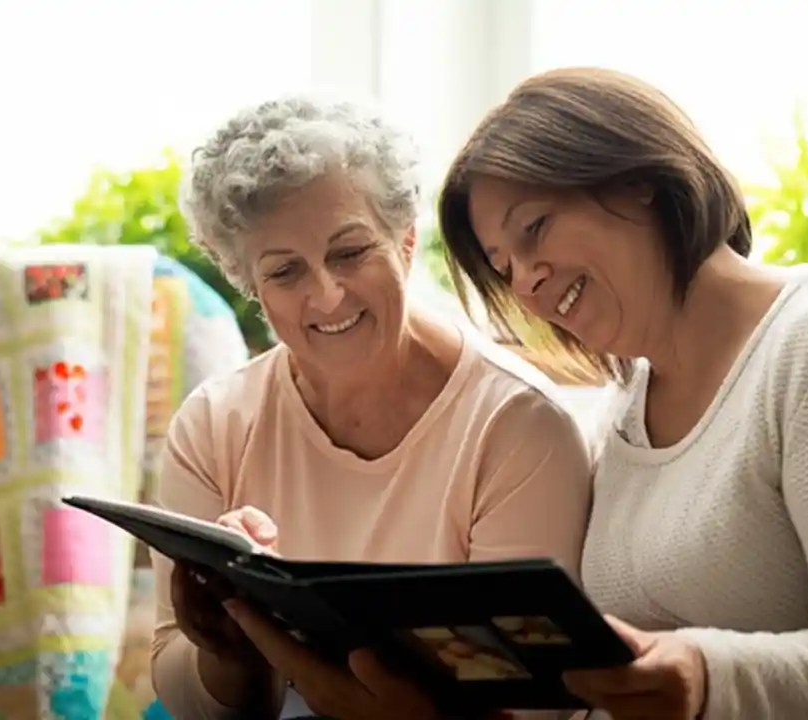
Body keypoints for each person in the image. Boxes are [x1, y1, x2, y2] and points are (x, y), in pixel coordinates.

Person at [223, 68, 808, 720]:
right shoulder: (627, 403)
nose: (527, 280)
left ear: (636, 176)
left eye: (535, 229)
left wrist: (704, 677)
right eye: (504, 265)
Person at [150, 96, 595, 720]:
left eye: (350, 252)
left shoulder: (517, 429)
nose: (327, 296)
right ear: (252, 287)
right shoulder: (213, 426)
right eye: (284, 272)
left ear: (406, 242)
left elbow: (531, 706)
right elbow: (182, 684)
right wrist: (227, 647)